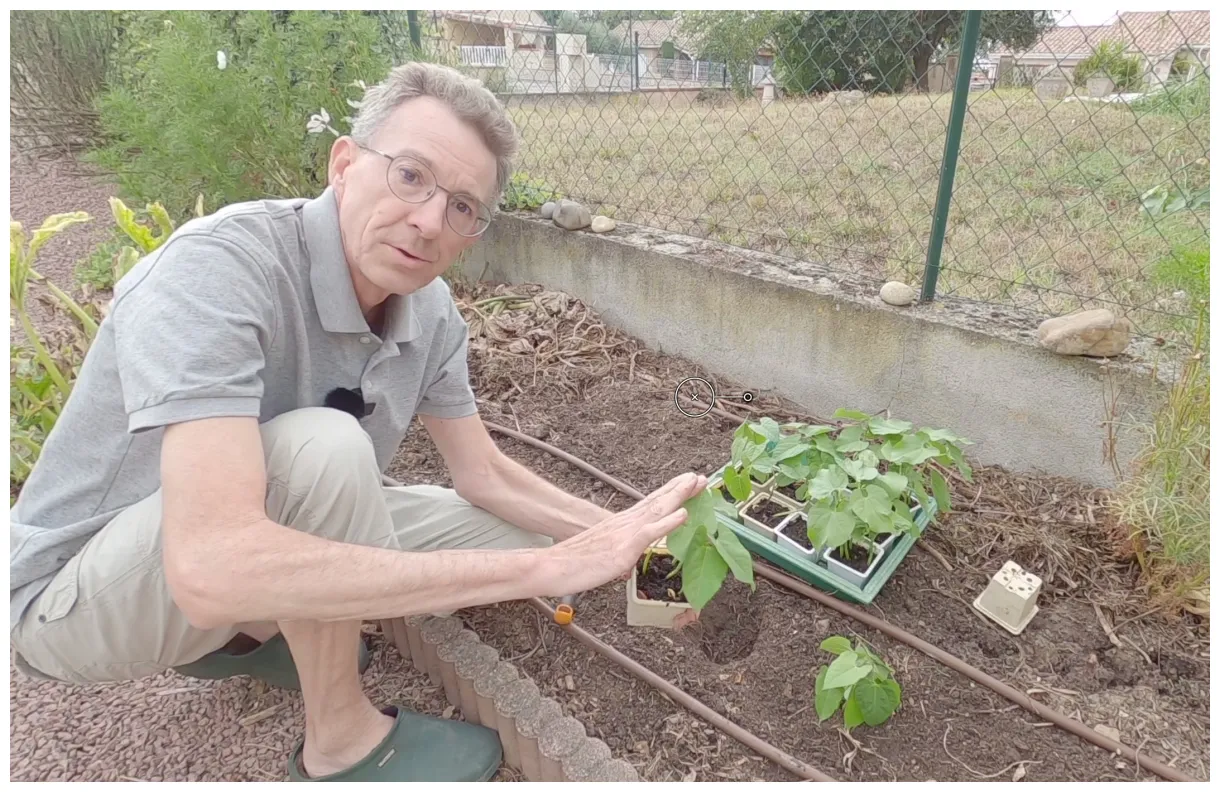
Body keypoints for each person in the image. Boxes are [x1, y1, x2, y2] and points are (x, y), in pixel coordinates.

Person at [9, 62, 704, 782]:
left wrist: (624, 537)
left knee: (510, 524)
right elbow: (208, 566)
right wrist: (547, 570)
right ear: (345, 164)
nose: (431, 220)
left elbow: (483, 473)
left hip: (232, 547)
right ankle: (339, 740)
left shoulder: (428, 310)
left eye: (463, 207)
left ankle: (250, 634)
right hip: (74, 597)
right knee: (328, 451)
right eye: (410, 176)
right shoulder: (218, 271)